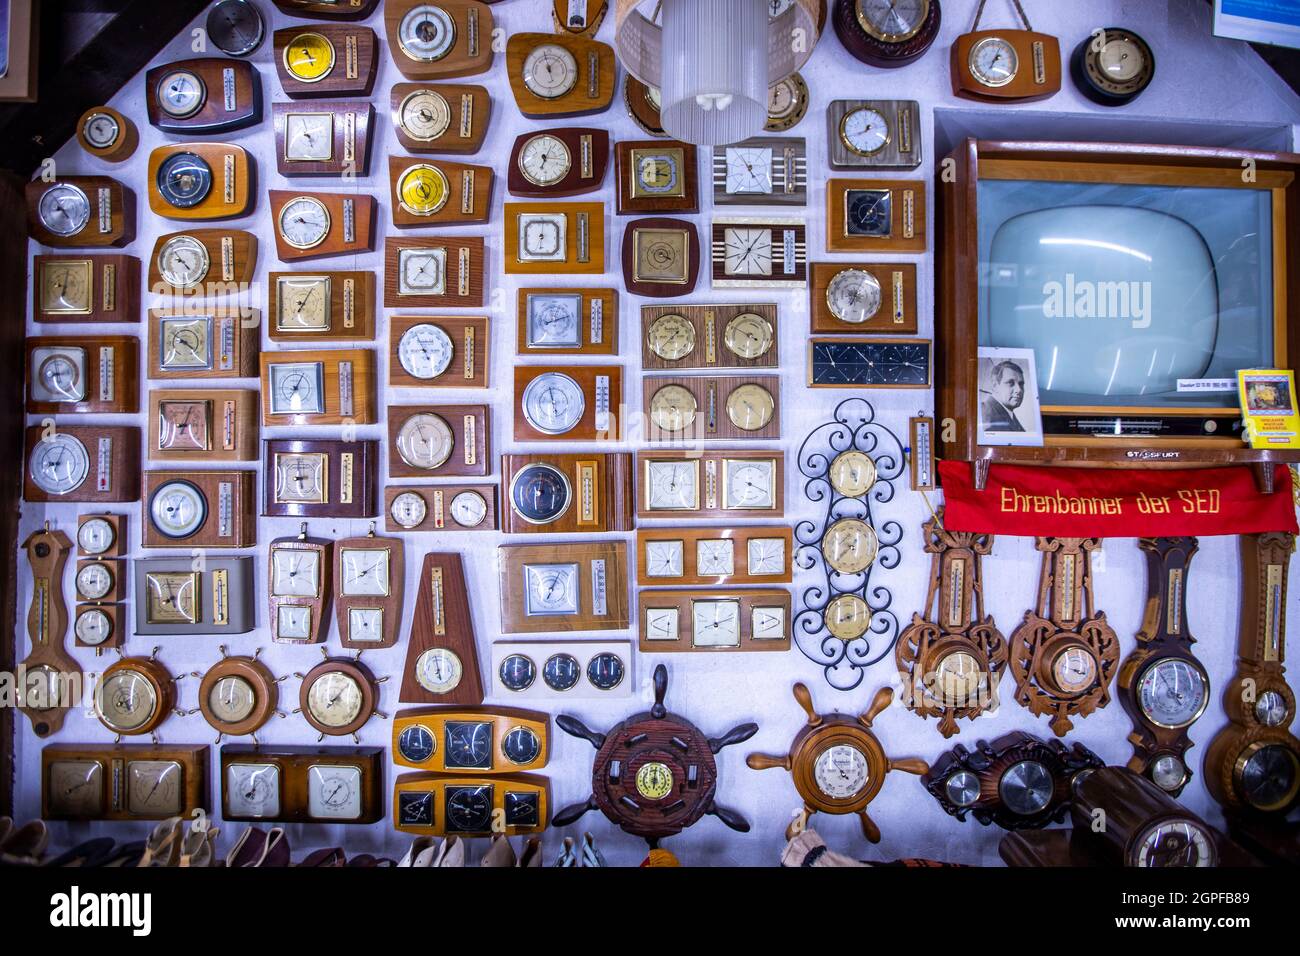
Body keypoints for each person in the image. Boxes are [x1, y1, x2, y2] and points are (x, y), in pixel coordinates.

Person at [981, 360, 1026, 432]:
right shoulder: (986, 414)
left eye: (1021, 384)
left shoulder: (1008, 413)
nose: (1019, 390)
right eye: (1010, 383)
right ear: (995, 386)